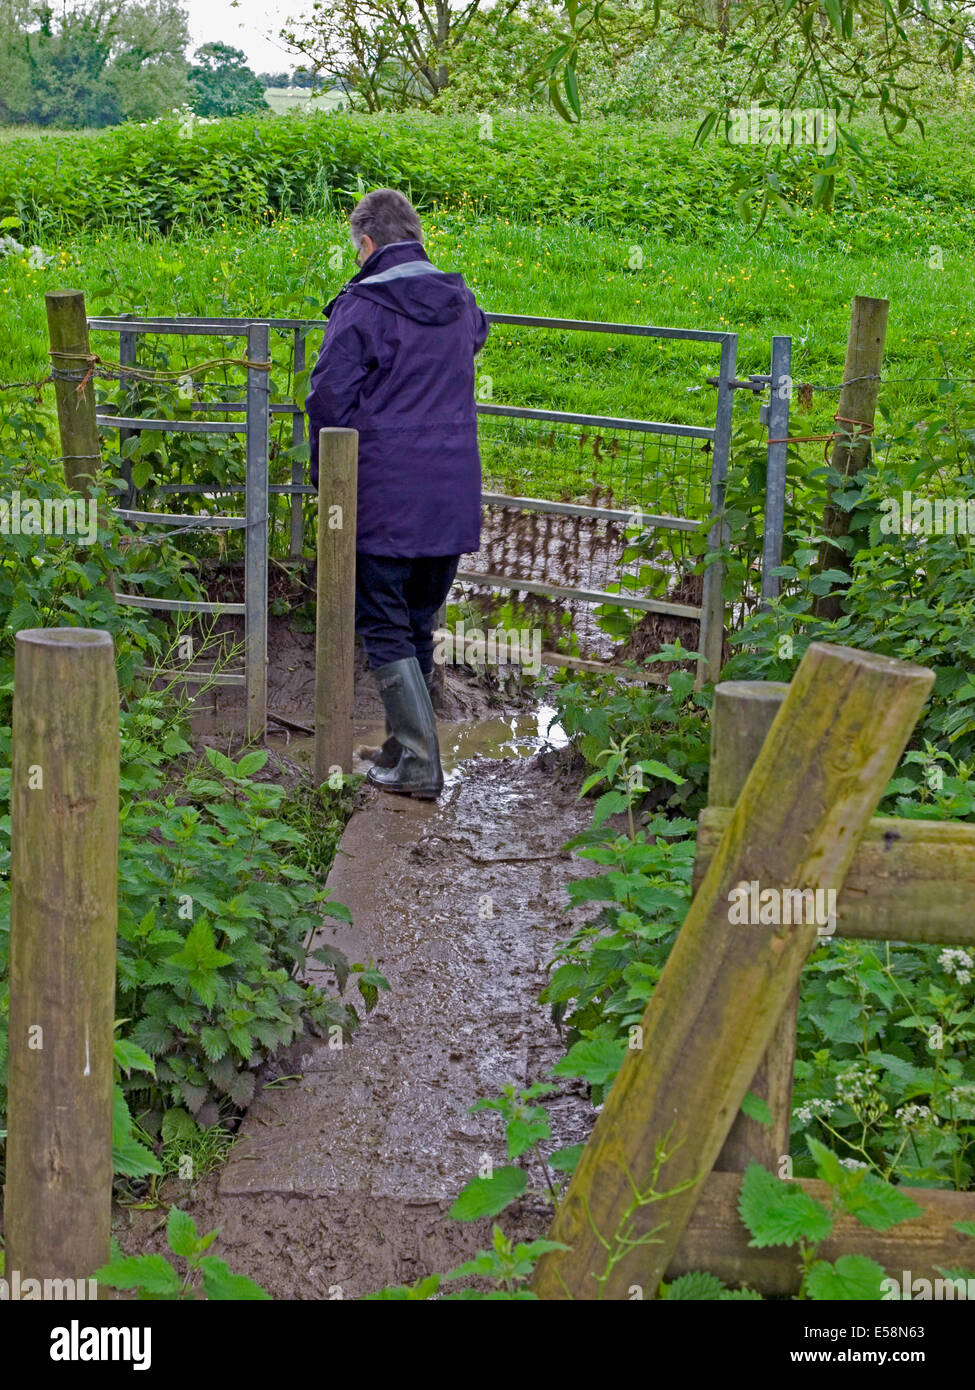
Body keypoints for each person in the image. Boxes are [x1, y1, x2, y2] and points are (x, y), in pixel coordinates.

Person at [306, 189, 489, 799]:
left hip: (385, 495)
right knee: (417, 623)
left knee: (383, 625)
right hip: (451, 493)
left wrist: (326, 480)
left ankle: (416, 764)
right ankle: (400, 748)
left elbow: (330, 400)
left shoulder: (361, 307)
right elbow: (472, 343)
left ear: (366, 243)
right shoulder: (461, 301)